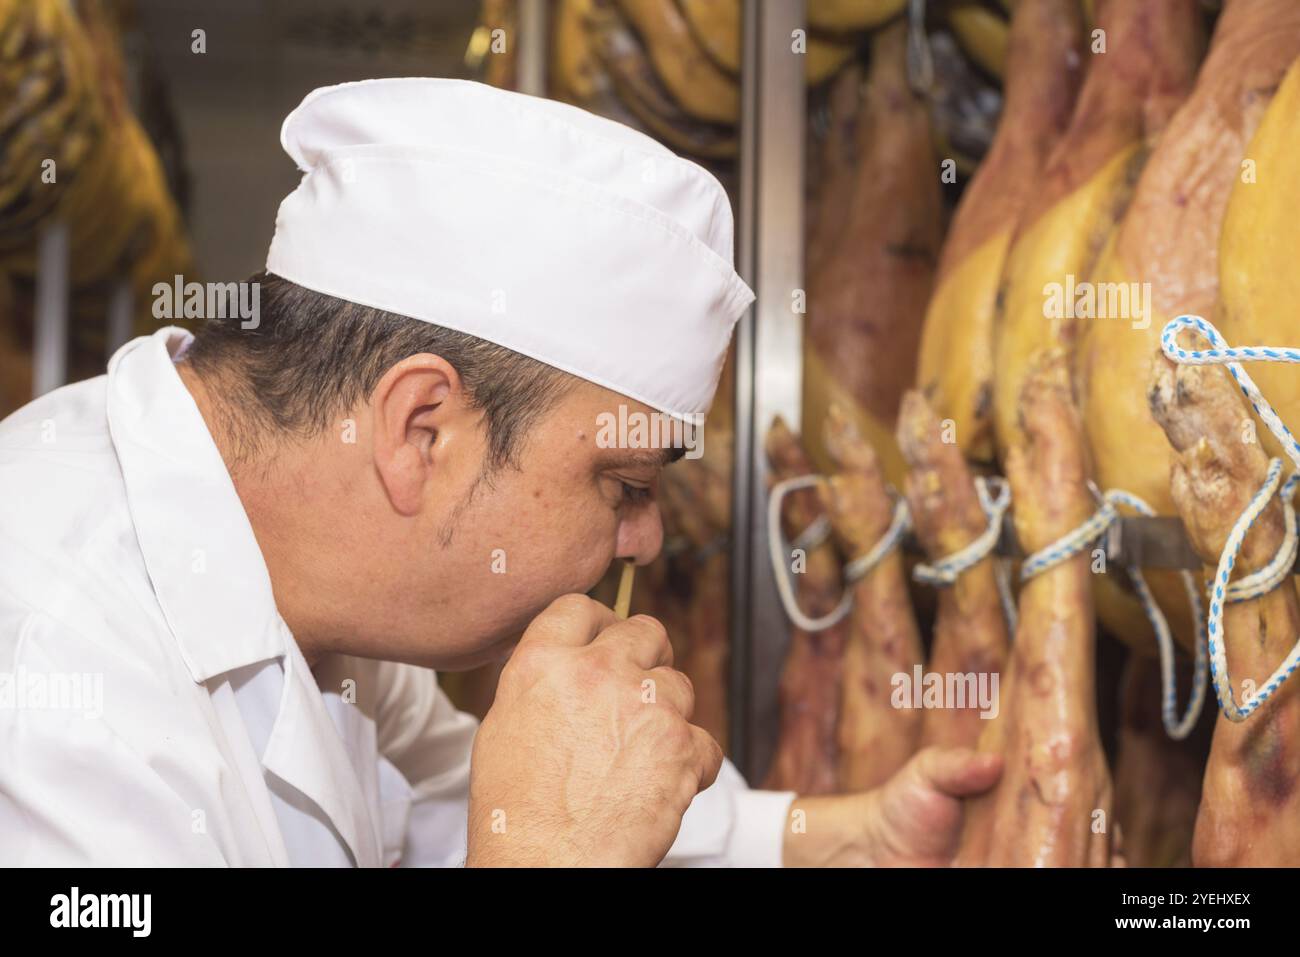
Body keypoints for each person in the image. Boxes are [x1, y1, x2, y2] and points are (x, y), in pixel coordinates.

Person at [0, 79, 1000, 866]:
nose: (646, 538)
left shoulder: (326, 583)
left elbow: (457, 805)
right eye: (625, 484)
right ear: (423, 431)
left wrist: (850, 840)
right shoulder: (50, 678)